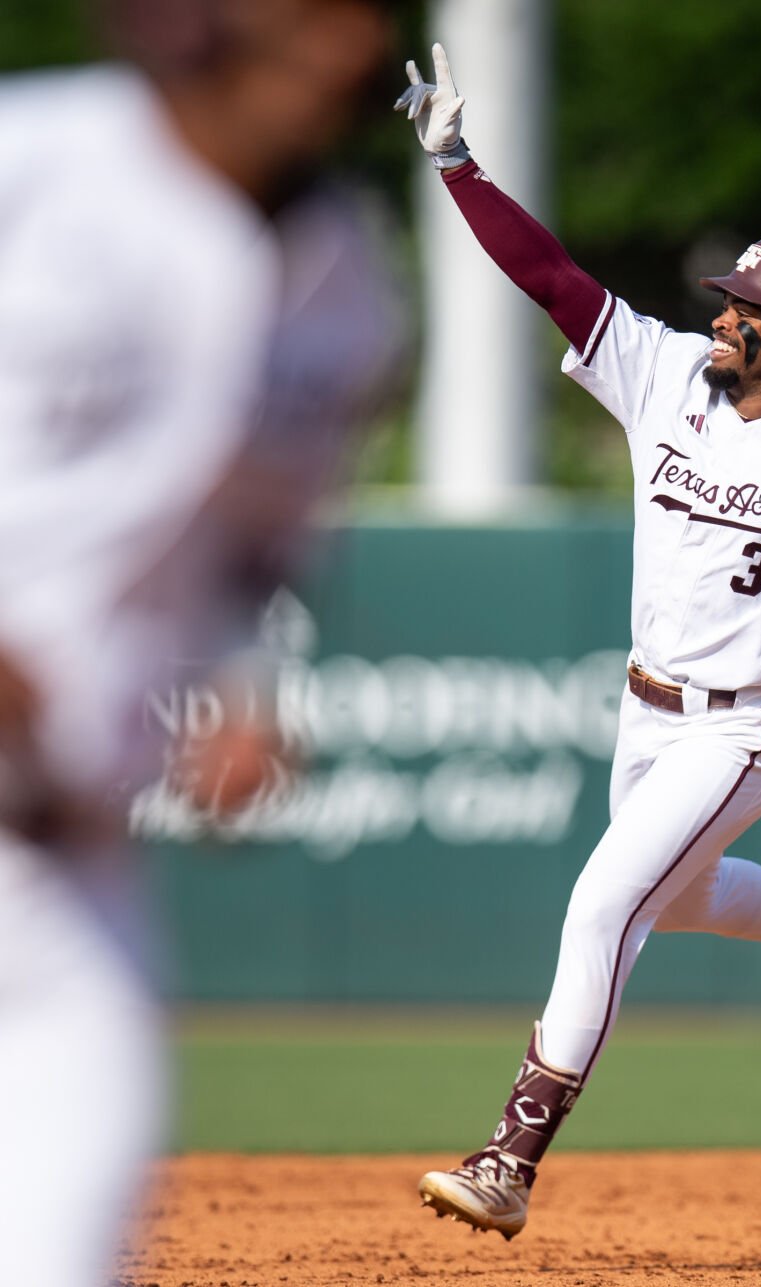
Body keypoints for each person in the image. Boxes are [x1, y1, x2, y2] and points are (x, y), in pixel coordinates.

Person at [395, 44, 761, 1241]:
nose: (721, 316)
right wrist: (458, 165)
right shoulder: (666, 376)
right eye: (728, 303)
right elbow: (552, 278)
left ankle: (510, 1158)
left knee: (605, 903)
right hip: (645, 712)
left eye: (747, 312)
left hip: (742, 728)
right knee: (687, 892)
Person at [0, 3, 403, 1284]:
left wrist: (246, 688)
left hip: (56, 861)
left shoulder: (346, 285)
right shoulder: (34, 163)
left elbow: (253, 558)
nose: (343, 43)